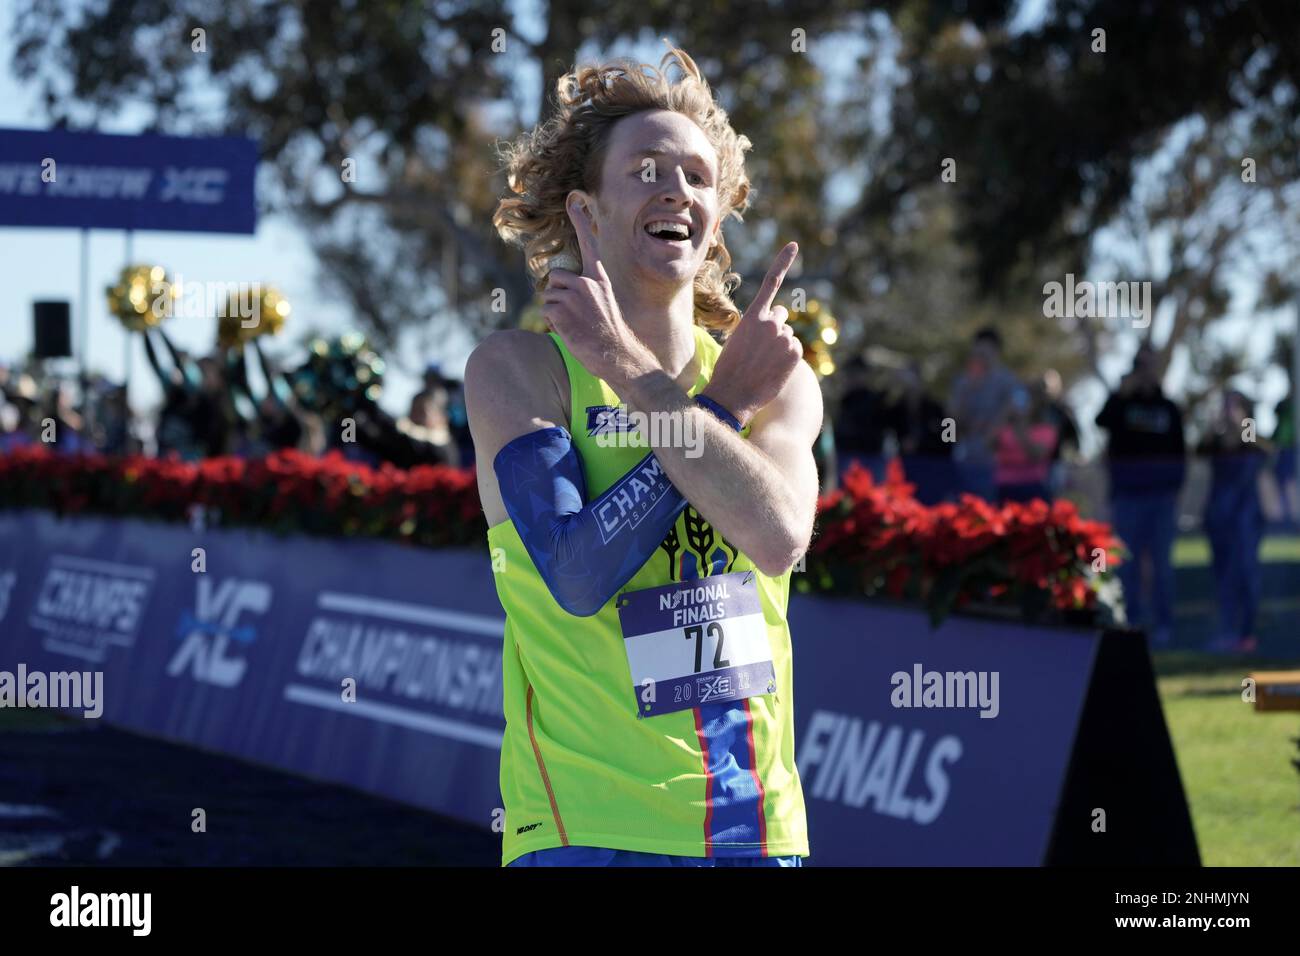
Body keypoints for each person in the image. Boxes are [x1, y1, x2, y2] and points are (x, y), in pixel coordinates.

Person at [470, 46, 818, 867]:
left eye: (699, 177)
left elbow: (776, 539)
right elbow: (578, 575)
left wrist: (647, 376)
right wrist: (710, 409)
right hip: (585, 828)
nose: (677, 191)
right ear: (585, 211)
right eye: (648, 170)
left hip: (754, 829)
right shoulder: (519, 370)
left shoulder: (773, 380)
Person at [1095, 343, 1186, 646]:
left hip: (1161, 499)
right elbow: (1100, 421)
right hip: (1128, 497)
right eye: (1139, 365)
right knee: (1126, 565)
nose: (1144, 372)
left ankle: (1164, 626)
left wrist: (1175, 492)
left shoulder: (1168, 408)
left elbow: (1179, 454)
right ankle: (1127, 624)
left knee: (1162, 565)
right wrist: (1121, 393)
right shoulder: (1121, 404)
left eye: (1149, 366)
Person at [1197, 390, 1267, 653]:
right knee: (1223, 575)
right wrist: (1217, 428)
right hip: (1219, 518)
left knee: (1246, 573)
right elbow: (1200, 450)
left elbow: (1262, 452)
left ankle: (1246, 633)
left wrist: (1242, 427)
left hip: (1246, 518)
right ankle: (1227, 631)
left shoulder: (1249, 437)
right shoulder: (1215, 440)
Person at [947, 327, 1026, 501]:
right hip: (964, 458)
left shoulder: (1009, 381)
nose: (981, 356)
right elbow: (949, 423)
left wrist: (995, 429)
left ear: (996, 351)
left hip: (996, 462)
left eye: (985, 351)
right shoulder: (962, 381)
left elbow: (1021, 413)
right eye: (977, 351)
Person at [832, 354, 893, 484]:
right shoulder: (846, 401)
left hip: (869, 458)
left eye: (854, 374)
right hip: (846, 456)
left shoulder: (875, 400)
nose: (849, 379)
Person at [993, 382, 1058, 503]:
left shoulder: (1046, 429)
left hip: (1033, 486)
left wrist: (1020, 426)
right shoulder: (1005, 427)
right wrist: (1003, 415)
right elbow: (989, 443)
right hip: (1005, 487)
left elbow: (1036, 455)